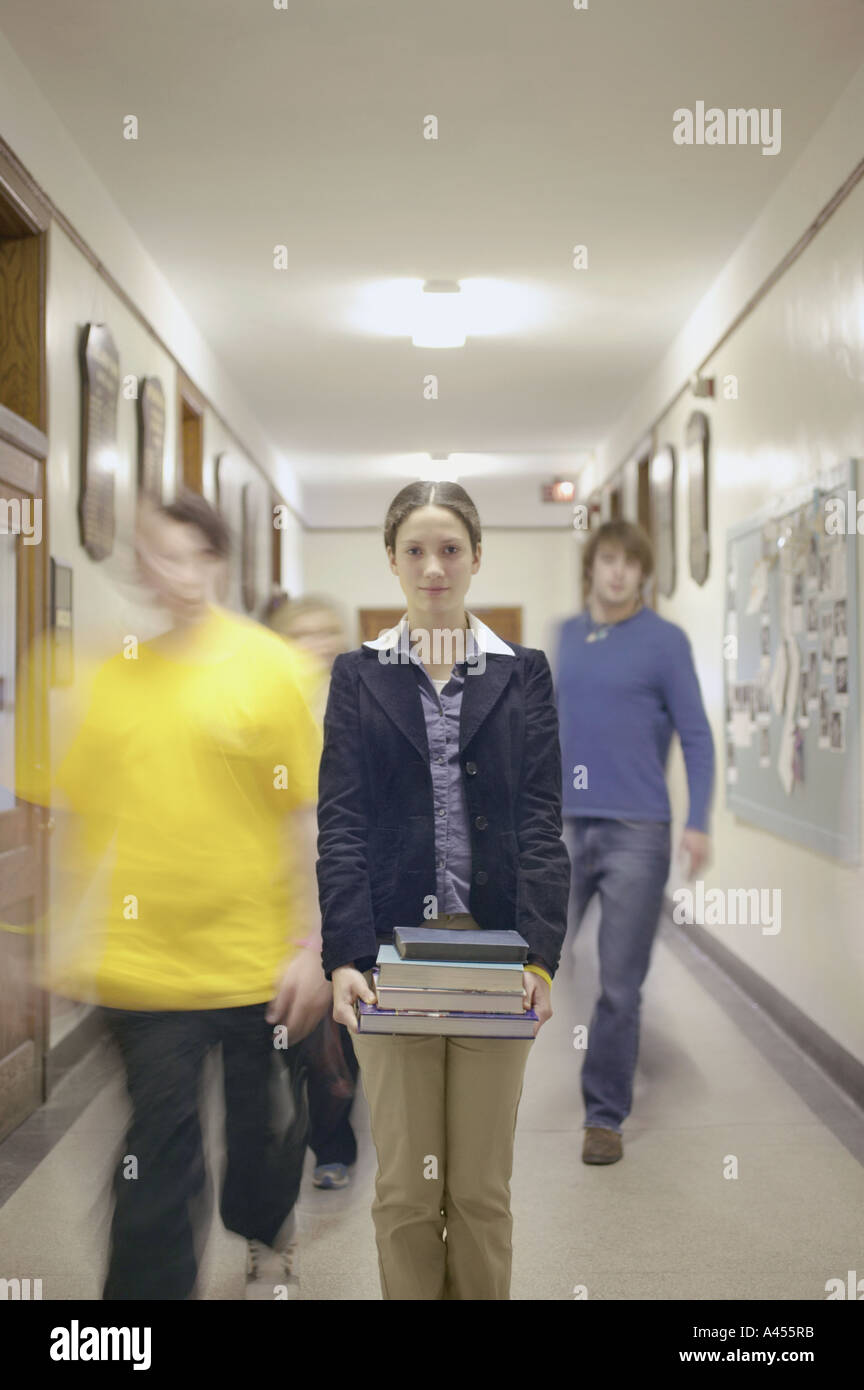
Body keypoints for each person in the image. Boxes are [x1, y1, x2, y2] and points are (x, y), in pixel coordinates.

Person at [53, 491, 331, 1299]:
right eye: (152, 556)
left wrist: (311, 946)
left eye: (184, 555)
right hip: (148, 970)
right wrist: (57, 935)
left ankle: (265, 1226)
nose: (167, 573)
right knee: (156, 1159)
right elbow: (85, 820)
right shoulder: (118, 675)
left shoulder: (268, 668)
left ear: (215, 561)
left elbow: (302, 817)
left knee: (268, 1135)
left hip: (258, 964)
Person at [316, 480, 570, 1300]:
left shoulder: (522, 675)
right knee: (406, 1192)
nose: (434, 567)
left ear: (476, 559)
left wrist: (542, 957)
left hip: (496, 954)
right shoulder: (359, 678)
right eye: (416, 551)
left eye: (450, 549)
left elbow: (539, 820)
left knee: (480, 1191)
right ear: (391, 561)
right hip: (394, 958)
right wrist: (346, 954)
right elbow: (342, 822)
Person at [555, 519, 715, 1165]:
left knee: (620, 984)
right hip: (561, 827)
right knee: (528, 963)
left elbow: (698, 737)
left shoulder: (665, 642)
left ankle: (604, 1116)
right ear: (591, 567)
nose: (618, 572)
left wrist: (698, 820)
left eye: (630, 563)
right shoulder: (564, 637)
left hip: (637, 833)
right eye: (608, 560)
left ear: (642, 573)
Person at [265, 593, 360, 1190]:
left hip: (335, 881)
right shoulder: (261, 704)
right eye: (302, 633)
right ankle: (277, 1144)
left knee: (335, 1030)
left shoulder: (351, 705)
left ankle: (333, 1144)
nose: (316, 644)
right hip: (271, 893)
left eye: (327, 632)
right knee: (281, 1033)